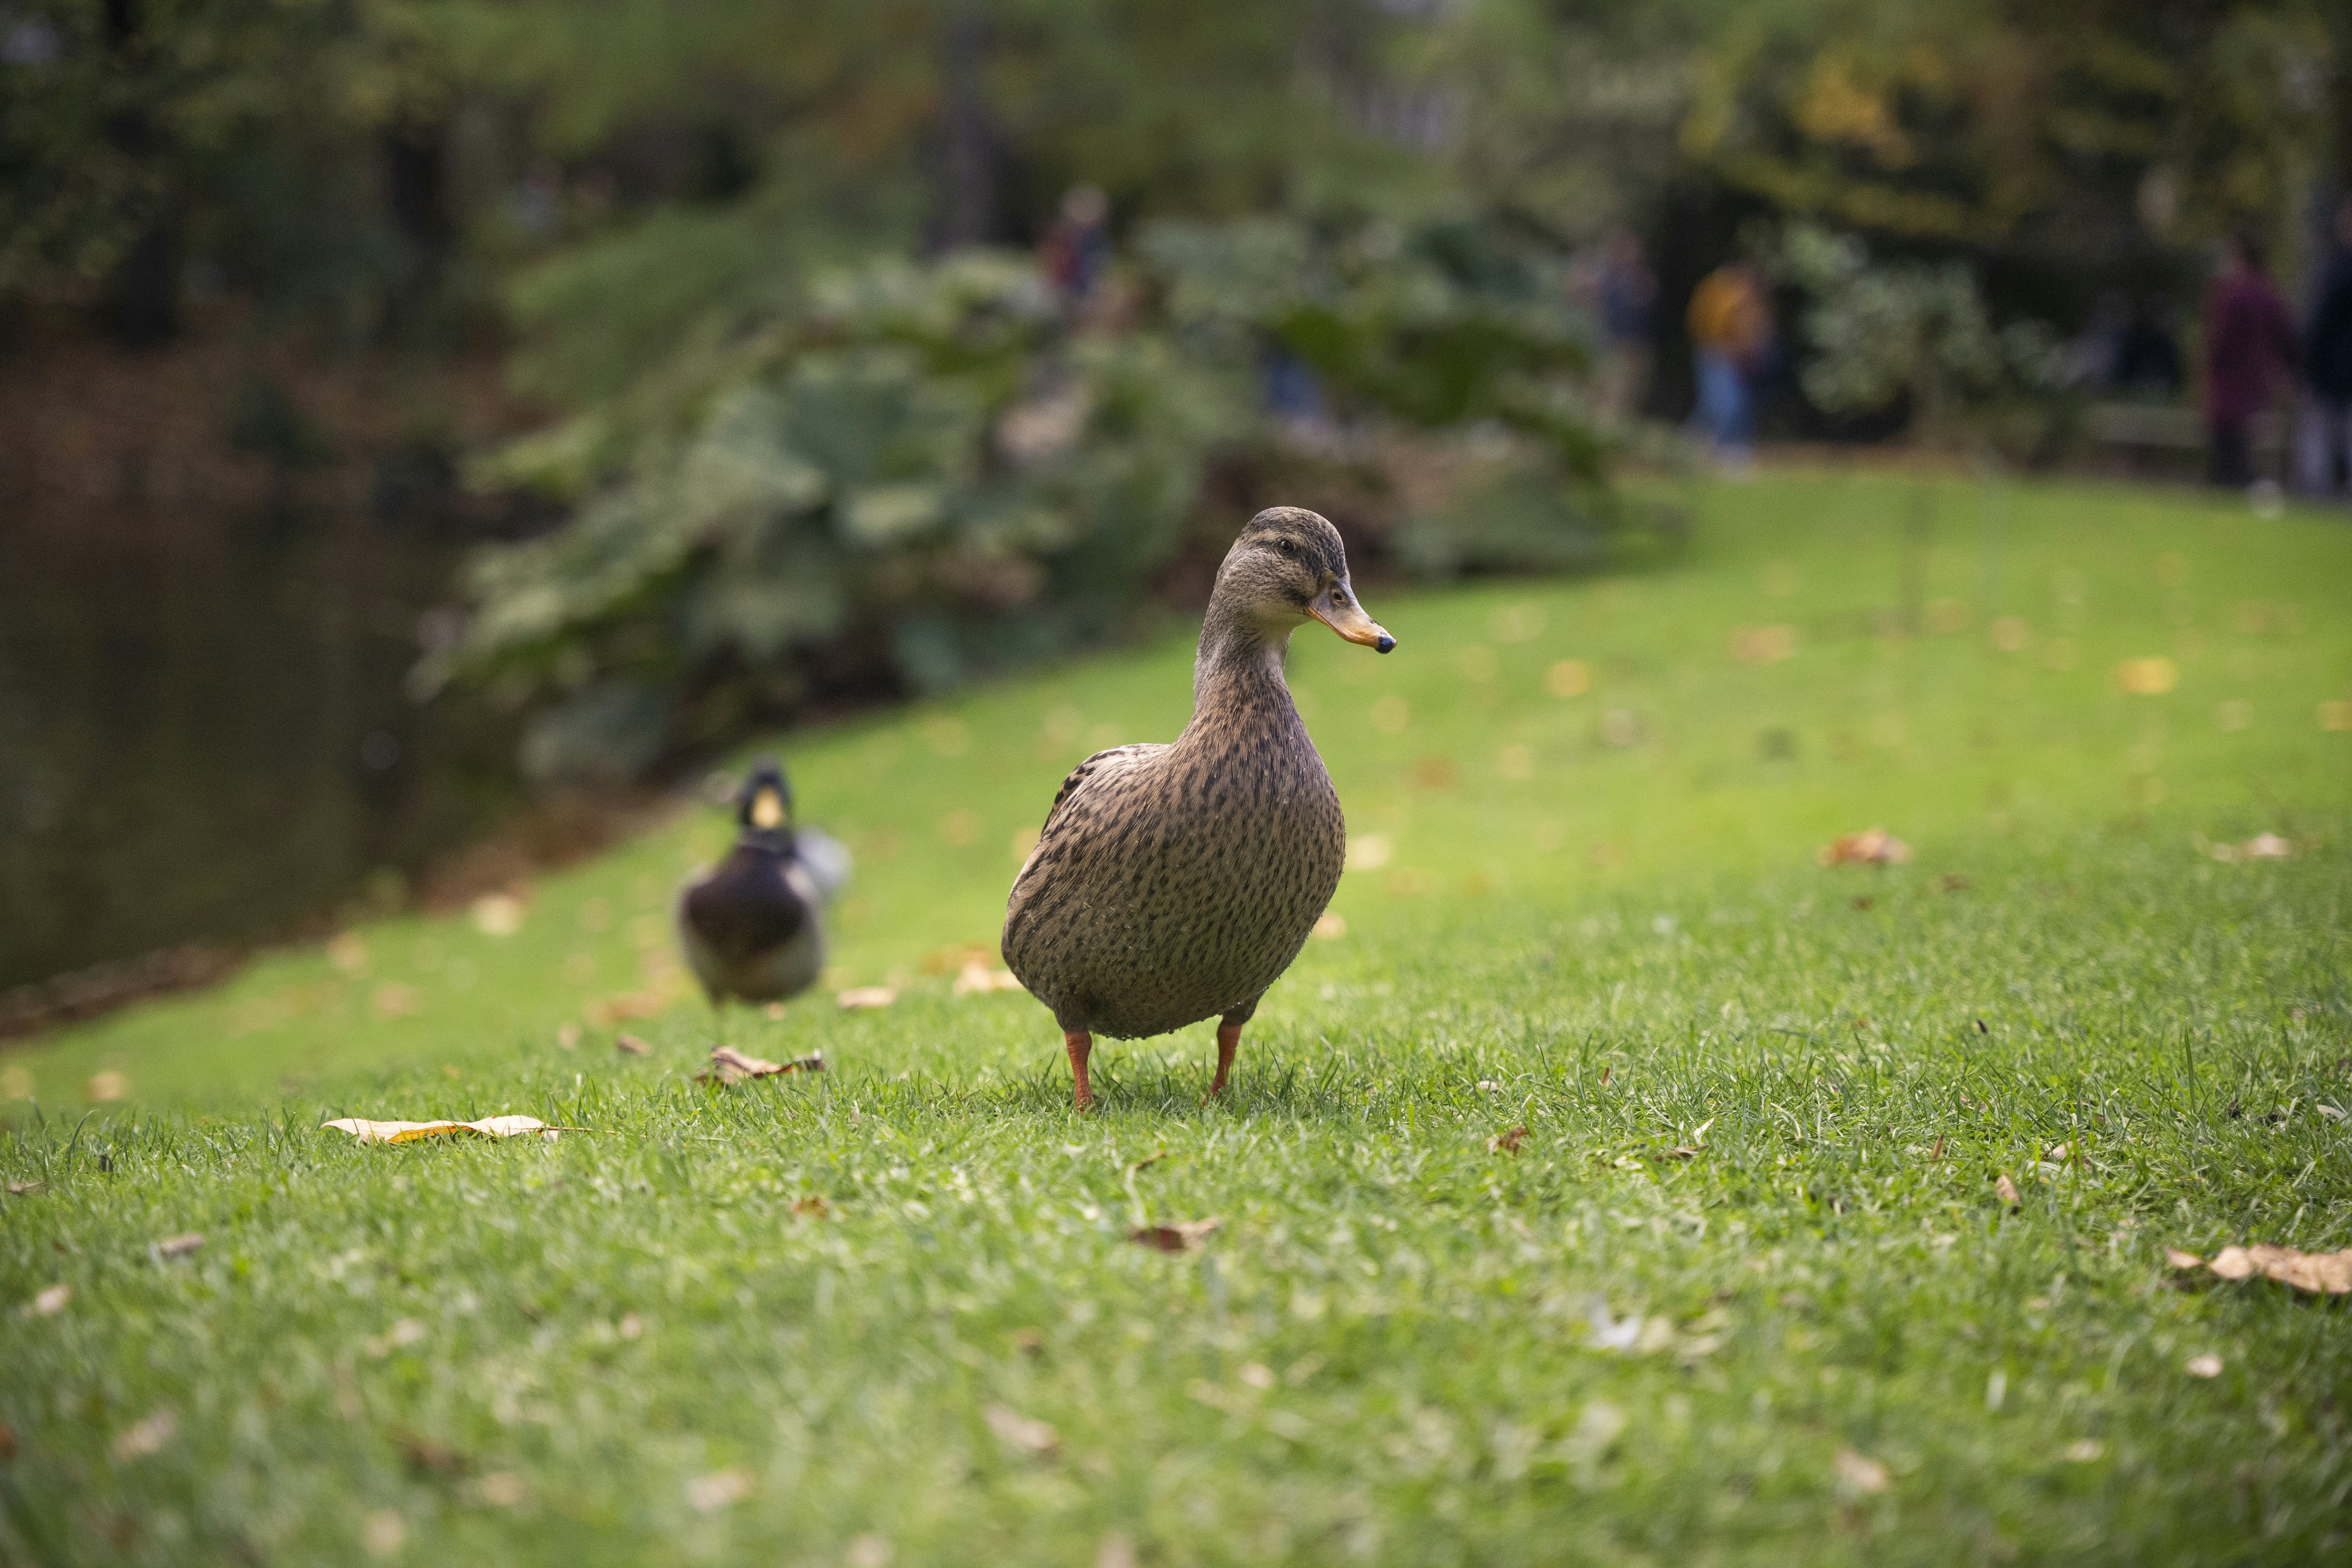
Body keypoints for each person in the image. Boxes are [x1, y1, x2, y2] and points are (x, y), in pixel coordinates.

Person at [2202, 230, 2297, 490]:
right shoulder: (2271, 294)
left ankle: (2248, 490)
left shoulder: (2233, 295)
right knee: (2244, 450)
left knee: (2229, 461)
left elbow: (2220, 344)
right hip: (2258, 387)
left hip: (2229, 389)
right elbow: (2288, 341)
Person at [1686, 260, 1771, 468]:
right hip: (1717, 356)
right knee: (1725, 406)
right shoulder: (1723, 293)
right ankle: (1723, 452)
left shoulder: (1751, 297)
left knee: (1727, 406)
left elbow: (1759, 330)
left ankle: (1699, 451)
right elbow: (1706, 327)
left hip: (1740, 360)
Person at [2298, 197, 2352, 497]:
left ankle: (2318, 497)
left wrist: (2309, 371)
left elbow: (2318, 325)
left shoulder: (2335, 271)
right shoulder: (2336, 268)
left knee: (2319, 450)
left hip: (2332, 374)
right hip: (2333, 374)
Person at [1594, 230, 1657, 422]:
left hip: (1638, 348)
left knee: (1632, 399)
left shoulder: (1641, 281)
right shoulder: (1610, 278)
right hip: (1615, 347)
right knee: (1613, 396)